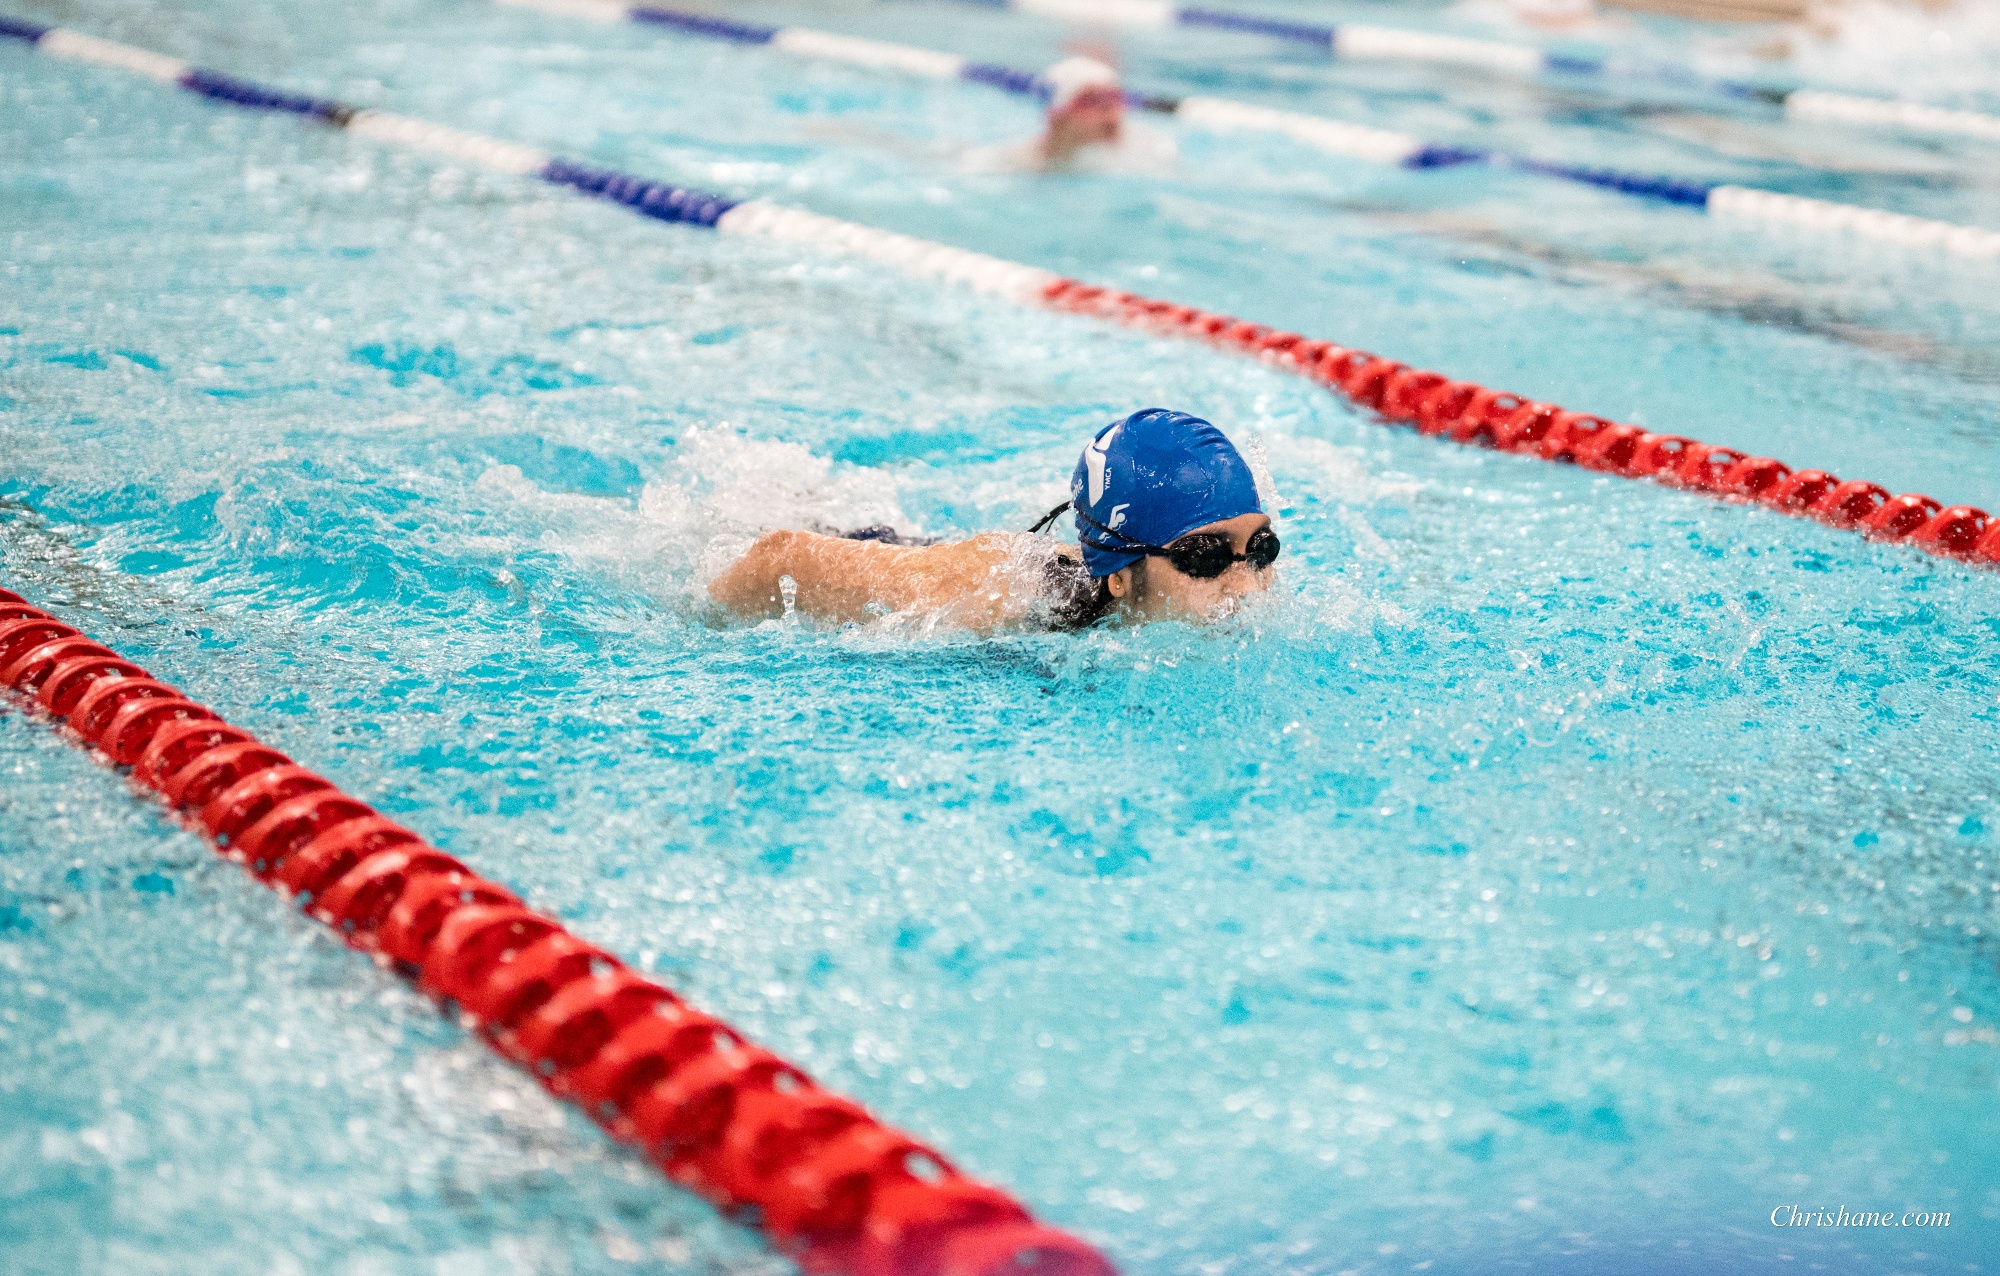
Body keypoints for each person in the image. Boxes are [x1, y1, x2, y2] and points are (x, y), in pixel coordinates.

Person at [708, 409, 1279, 632]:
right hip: (879, 549)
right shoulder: (1000, 595)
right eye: (1203, 557)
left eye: (1261, 549)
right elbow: (777, 557)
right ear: (1120, 571)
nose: (1247, 584)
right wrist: (705, 624)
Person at [965, 56, 1176, 175]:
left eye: (1116, 99)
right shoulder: (1015, 164)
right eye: (1096, 102)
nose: (1112, 116)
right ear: (1056, 116)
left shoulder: (1149, 149)